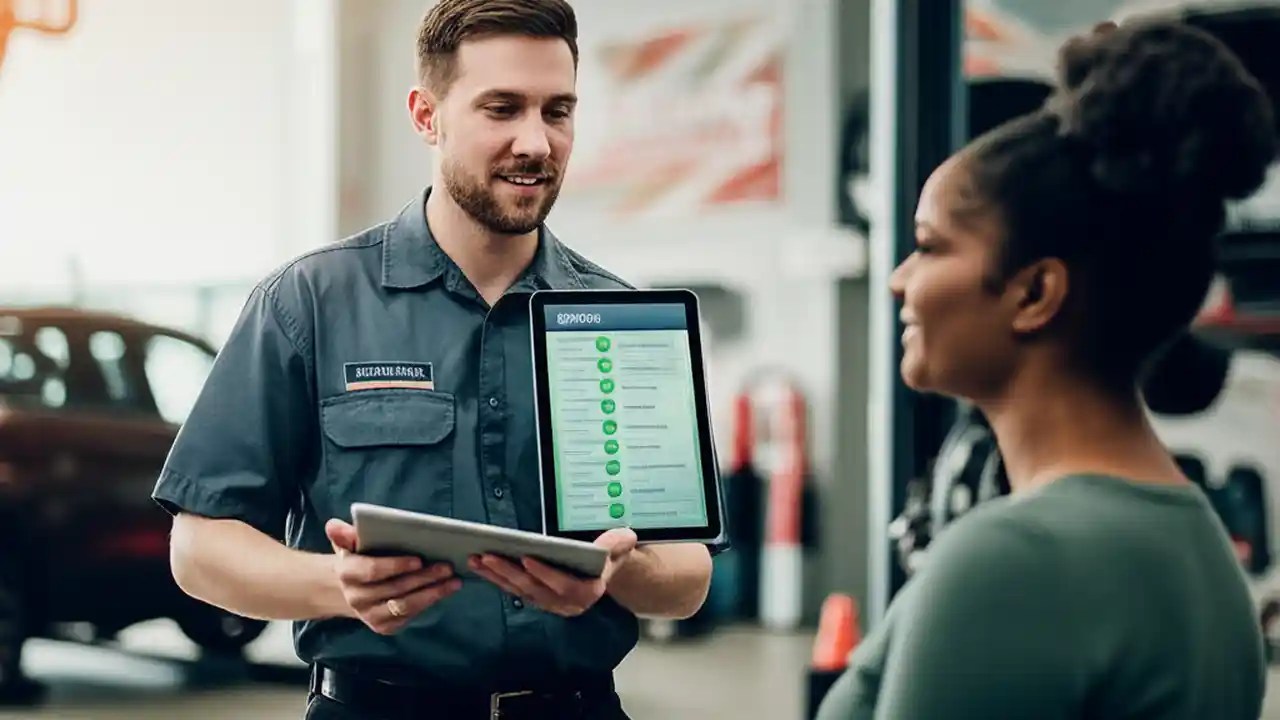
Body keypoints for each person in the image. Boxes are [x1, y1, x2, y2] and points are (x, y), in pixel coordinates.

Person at [151, 1, 715, 718]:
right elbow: (199, 547)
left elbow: (688, 577)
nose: (536, 142)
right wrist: (338, 587)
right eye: (502, 108)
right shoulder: (310, 303)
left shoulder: (621, 317)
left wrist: (617, 573)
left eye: (558, 111)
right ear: (427, 115)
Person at [818, 17, 1277, 720]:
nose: (898, 280)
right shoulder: (1201, 550)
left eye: (930, 247)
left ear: (1035, 293)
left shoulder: (1015, 559)